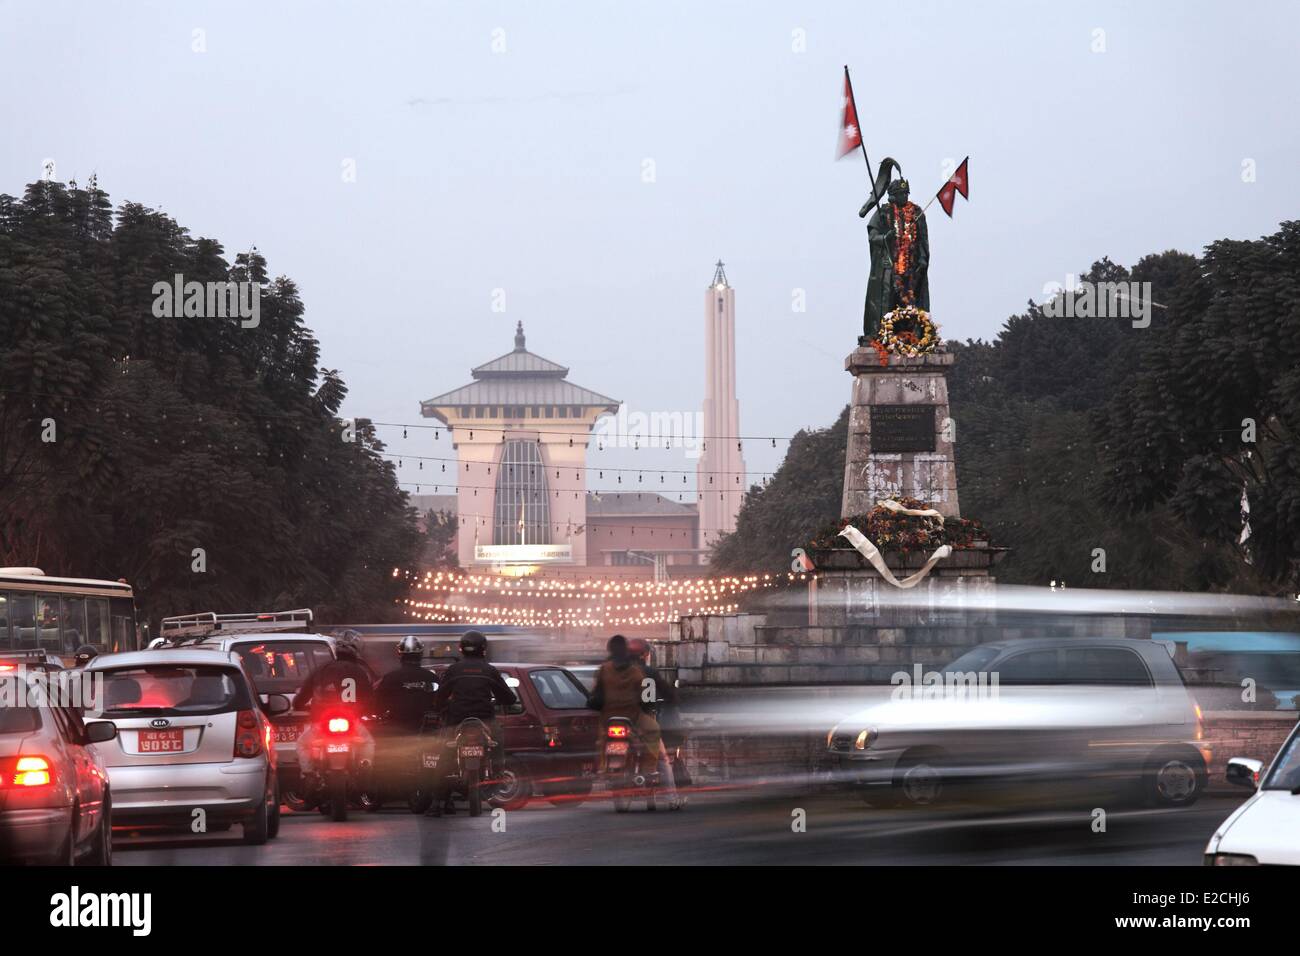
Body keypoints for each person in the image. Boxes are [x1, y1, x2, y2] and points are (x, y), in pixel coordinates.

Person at [427, 630, 517, 816]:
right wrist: (502, 701)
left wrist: (439, 706)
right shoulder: (489, 670)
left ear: (461, 648)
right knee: (498, 742)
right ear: (483, 649)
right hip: (484, 719)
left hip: (457, 719)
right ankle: (498, 774)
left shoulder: (454, 670)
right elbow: (508, 697)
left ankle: (436, 803)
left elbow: (439, 698)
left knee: (443, 758)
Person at [589, 635, 680, 809]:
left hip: (609, 719)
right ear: (645, 654)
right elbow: (648, 698)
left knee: (601, 740)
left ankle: (602, 767)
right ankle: (660, 785)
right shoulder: (638, 672)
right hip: (633, 719)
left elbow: (595, 696)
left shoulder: (604, 669)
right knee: (658, 748)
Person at [294, 635, 377, 795]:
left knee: (302, 744)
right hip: (351, 721)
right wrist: (369, 711)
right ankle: (365, 765)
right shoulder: (360, 671)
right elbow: (370, 698)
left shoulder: (322, 670)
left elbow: (303, 696)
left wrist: (299, 705)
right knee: (367, 742)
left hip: (322, 722)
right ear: (355, 652)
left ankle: (309, 773)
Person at [374, 636, 438, 734]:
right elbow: (440, 701)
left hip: (395, 730)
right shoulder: (431, 677)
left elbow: (378, 703)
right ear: (421, 654)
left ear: (400, 654)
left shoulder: (390, 677)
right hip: (425, 731)